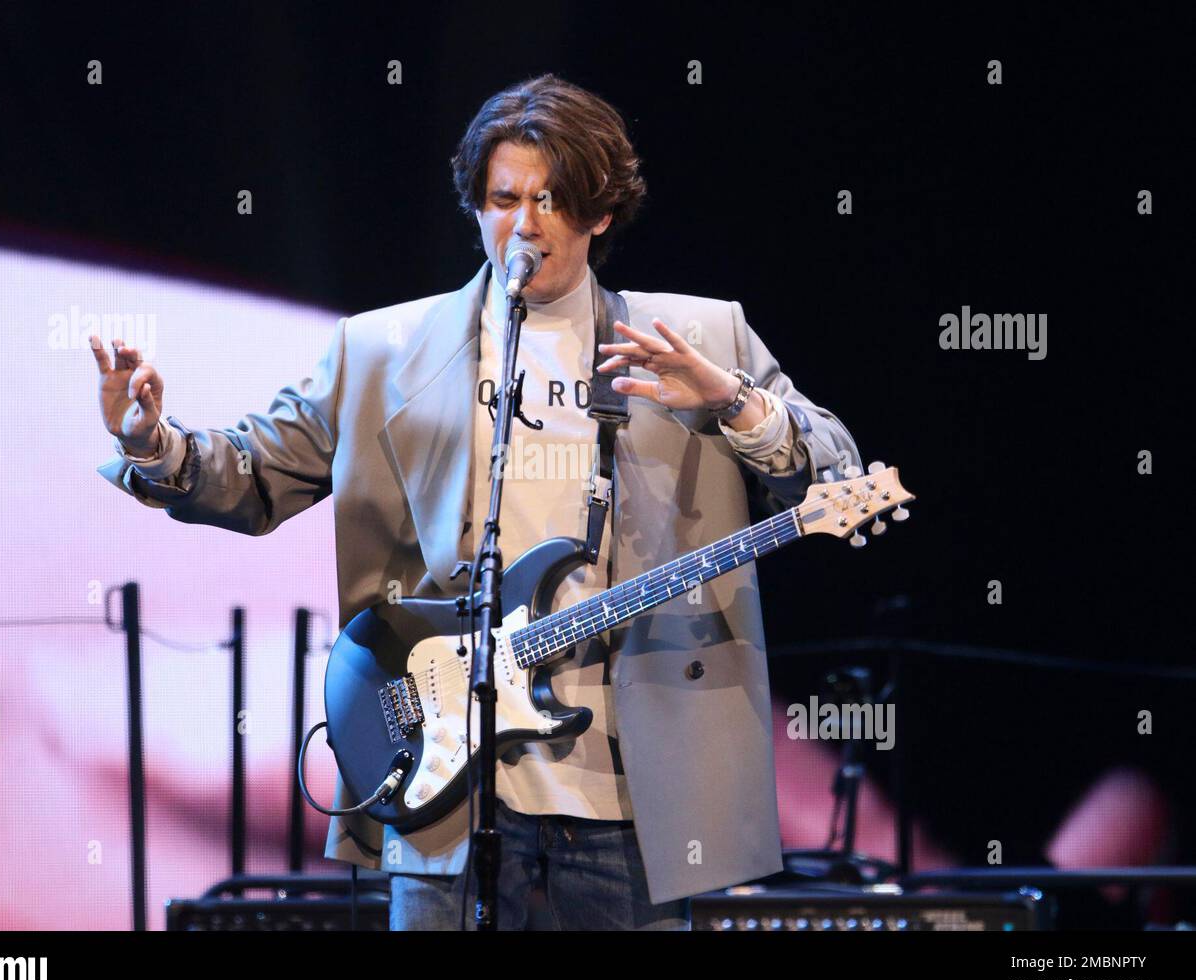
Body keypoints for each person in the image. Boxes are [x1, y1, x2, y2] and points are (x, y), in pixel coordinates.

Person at [92, 74, 861, 930]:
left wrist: (733, 403)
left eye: (551, 200)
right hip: (444, 789)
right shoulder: (383, 351)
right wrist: (151, 443)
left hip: (634, 805)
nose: (524, 224)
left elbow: (836, 477)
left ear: (601, 212)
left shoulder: (696, 339)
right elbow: (252, 473)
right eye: (504, 199)